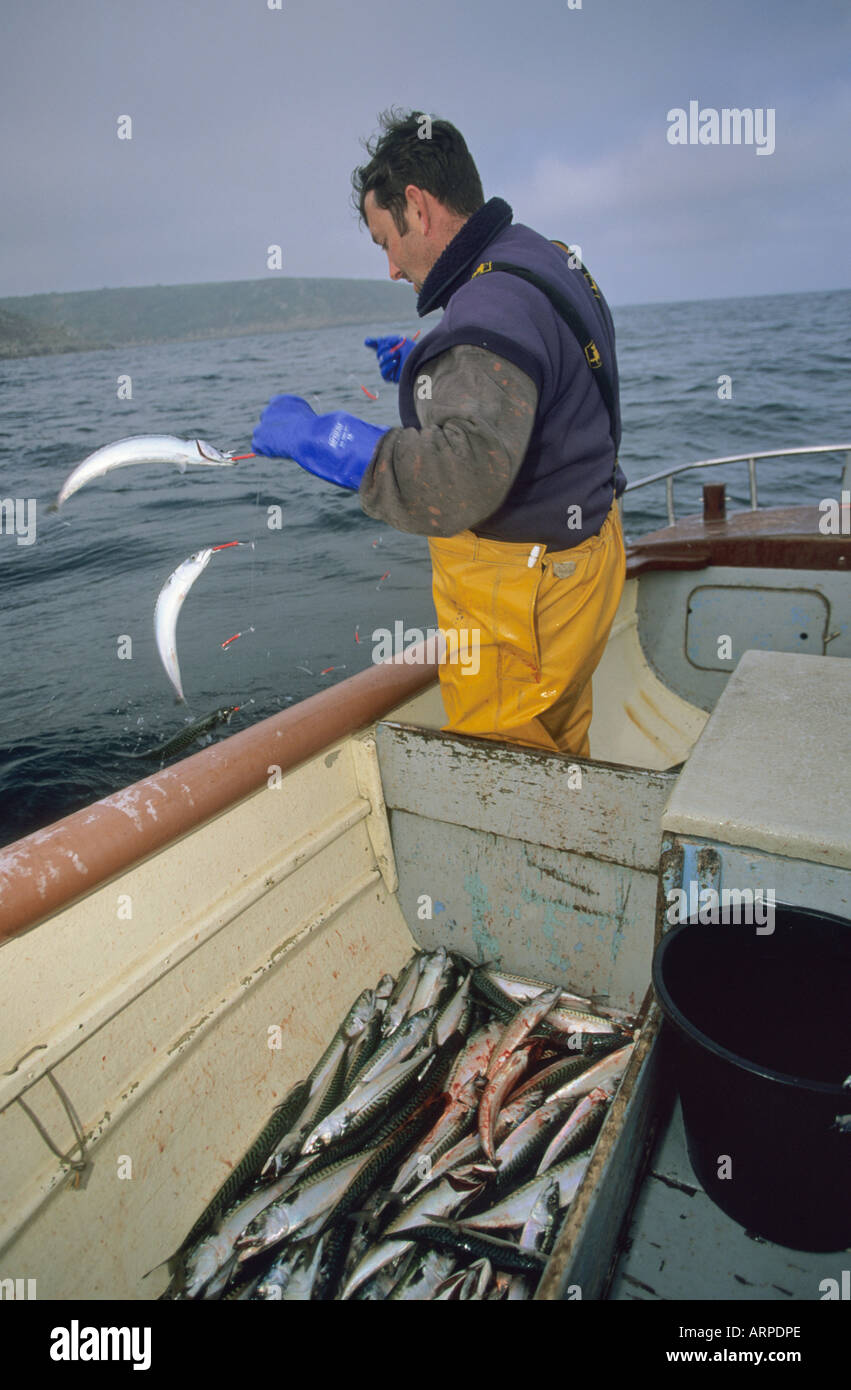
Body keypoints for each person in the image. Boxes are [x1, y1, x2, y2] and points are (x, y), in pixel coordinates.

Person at [252, 110, 627, 758]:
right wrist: (439, 362)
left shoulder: (486, 307)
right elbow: (551, 357)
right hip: (587, 561)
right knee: (558, 745)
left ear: (417, 208)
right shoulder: (542, 256)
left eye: (383, 241)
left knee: (508, 776)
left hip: (523, 600)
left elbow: (461, 478)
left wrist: (328, 440)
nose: (392, 269)